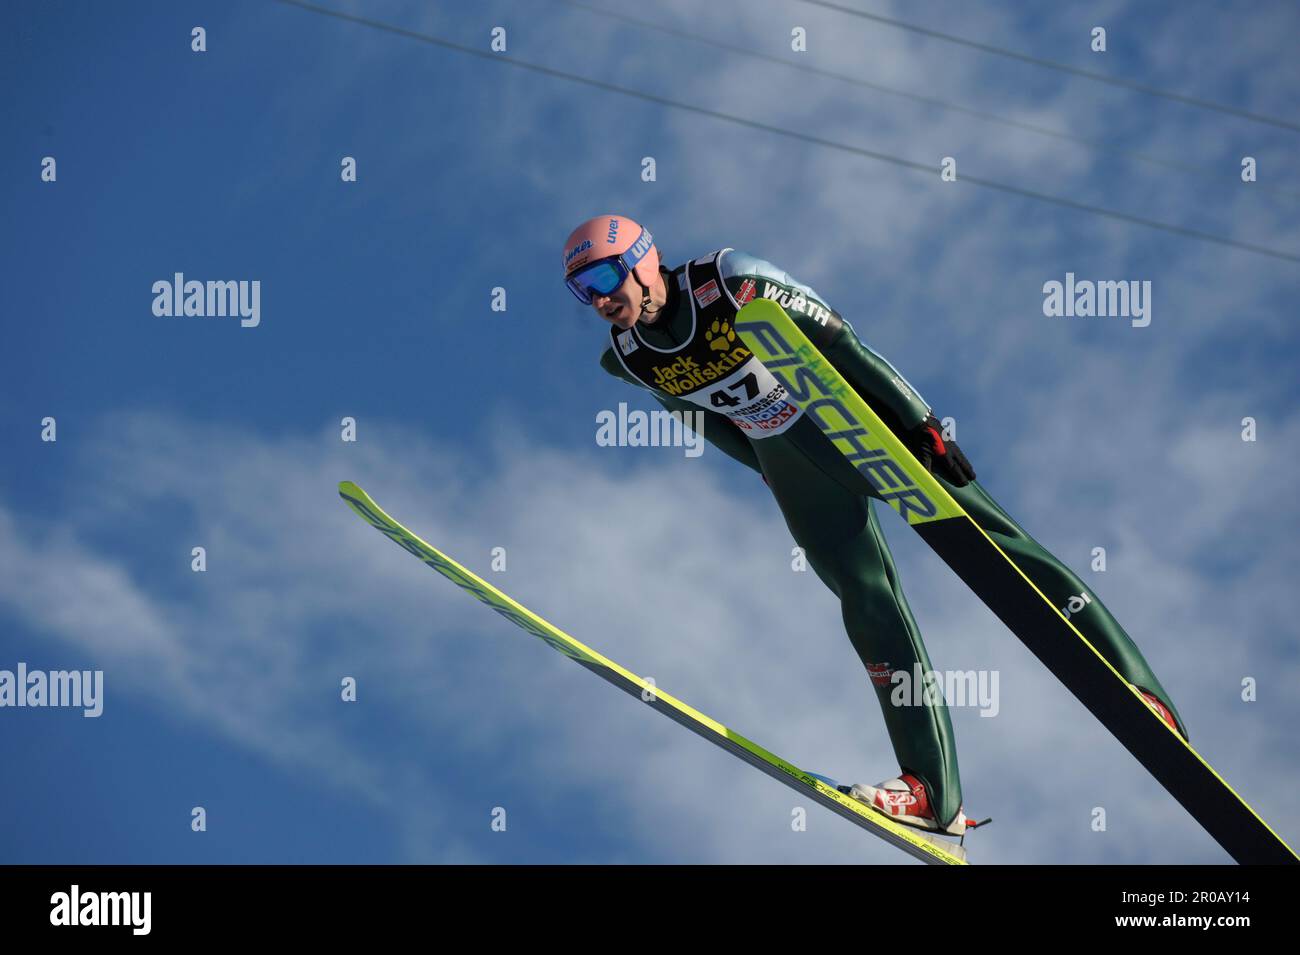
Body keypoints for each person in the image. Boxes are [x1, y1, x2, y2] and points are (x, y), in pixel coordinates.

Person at [562, 213, 1187, 836]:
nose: (600, 300)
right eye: (583, 292)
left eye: (605, 278)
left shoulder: (730, 280)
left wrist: (923, 421)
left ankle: (1136, 690)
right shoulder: (630, 357)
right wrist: (763, 466)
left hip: (852, 424)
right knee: (866, 601)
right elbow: (699, 419)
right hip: (789, 458)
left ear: (646, 258)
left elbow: (843, 344)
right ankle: (930, 792)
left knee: (997, 543)